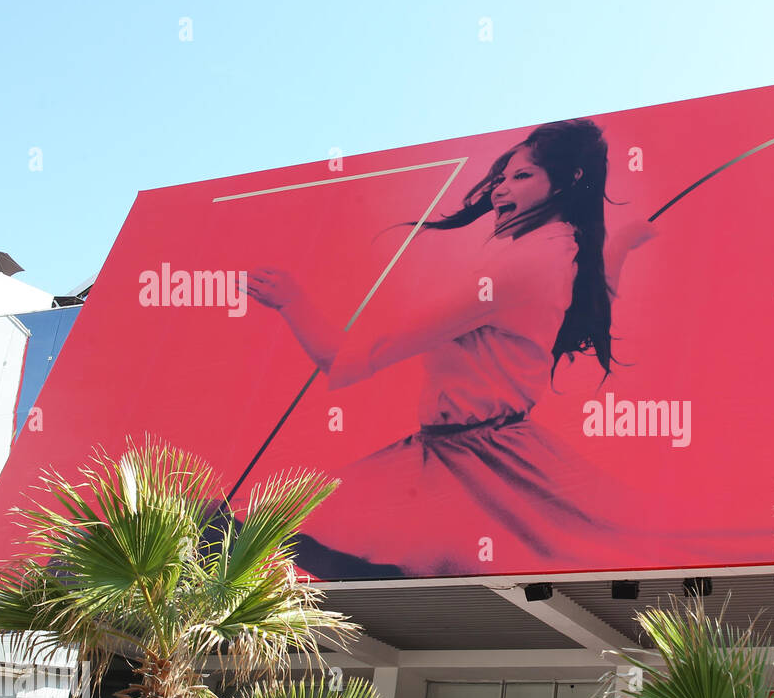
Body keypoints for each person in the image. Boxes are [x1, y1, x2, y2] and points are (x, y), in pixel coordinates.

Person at [247, 119, 657, 576]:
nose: (499, 190)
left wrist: (290, 300)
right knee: (321, 541)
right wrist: (622, 244)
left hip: (478, 467)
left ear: (568, 181)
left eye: (522, 176)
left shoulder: (517, 268)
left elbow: (346, 358)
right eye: (502, 177)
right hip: (461, 454)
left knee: (303, 536)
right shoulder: (563, 250)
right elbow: (592, 305)